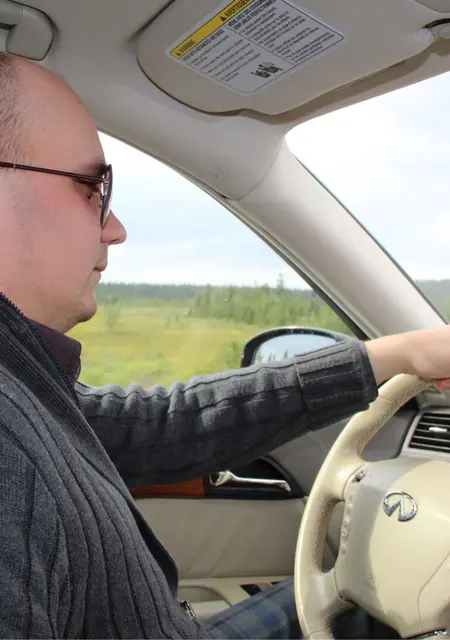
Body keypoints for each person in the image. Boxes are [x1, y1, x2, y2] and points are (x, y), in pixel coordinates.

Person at [0, 51, 449, 640]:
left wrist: (399, 355)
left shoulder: (26, 387)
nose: (115, 227)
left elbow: (160, 426)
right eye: (93, 187)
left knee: (355, 596)